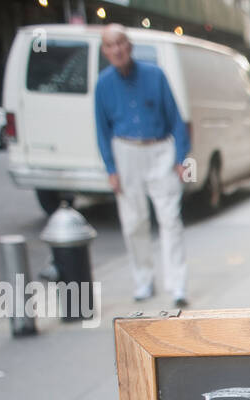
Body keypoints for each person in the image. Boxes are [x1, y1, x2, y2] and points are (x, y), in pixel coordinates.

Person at [94, 23, 191, 307]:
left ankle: (178, 285)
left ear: (130, 45)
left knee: (170, 219)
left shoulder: (155, 75)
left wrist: (180, 159)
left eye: (121, 43)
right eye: (110, 45)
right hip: (125, 152)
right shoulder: (103, 84)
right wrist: (111, 169)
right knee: (133, 222)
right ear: (105, 51)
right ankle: (143, 280)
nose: (117, 49)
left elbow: (176, 118)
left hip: (160, 148)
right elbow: (101, 130)